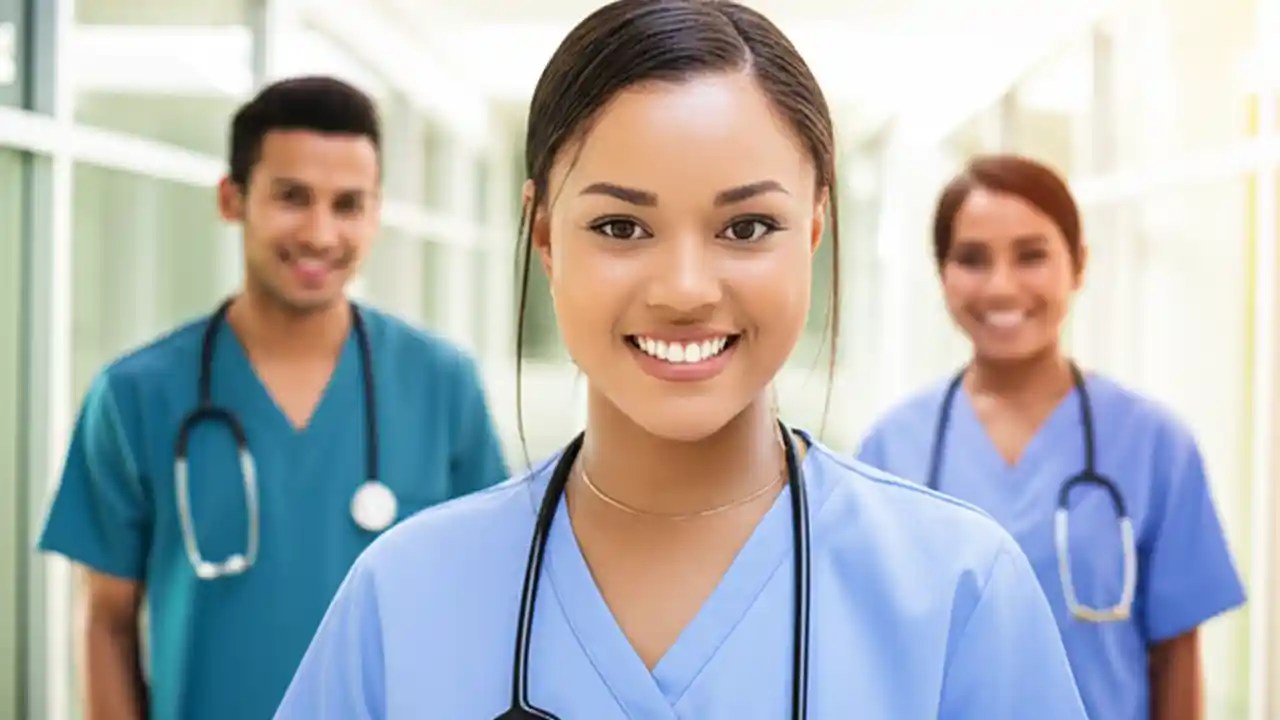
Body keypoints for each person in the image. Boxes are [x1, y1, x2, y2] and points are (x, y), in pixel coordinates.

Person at [273, 4, 1088, 718]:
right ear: (547, 236)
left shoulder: (959, 590)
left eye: (746, 228)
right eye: (622, 228)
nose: (686, 290)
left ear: (814, 228)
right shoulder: (403, 598)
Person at [36, 75, 509, 720]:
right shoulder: (135, 396)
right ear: (232, 200)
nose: (320, 233)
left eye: (348, 204)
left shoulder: (442, 384)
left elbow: (484, 601)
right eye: (292, 197)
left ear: (375, 213)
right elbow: (107, 622)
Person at [856, 153, 1247, 720]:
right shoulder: (891, 449)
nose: (1001, 286)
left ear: (1079, 264)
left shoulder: (1155, 445)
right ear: (942, 274)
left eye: (1031, 256)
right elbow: (871, 654)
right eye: (971, 259)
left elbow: (1176, 658)